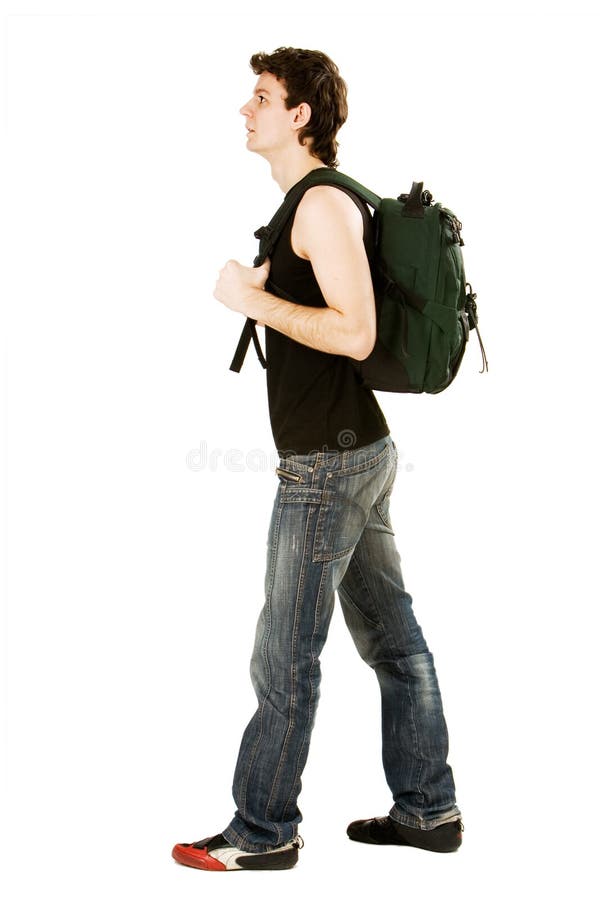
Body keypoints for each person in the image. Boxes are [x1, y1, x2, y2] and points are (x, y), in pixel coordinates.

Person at [172, 46, 463, 873]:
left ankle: (263, 831)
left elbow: (357, 333)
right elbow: (332, 310)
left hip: (328, 463)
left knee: (284, 655)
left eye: (261, 97)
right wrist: (275, 287)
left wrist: (251, 298)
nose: (245, 109)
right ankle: (429, 811)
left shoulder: (321, 206)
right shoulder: (308, 206)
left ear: (300, 115)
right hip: (353, 450)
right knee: (395, 643)